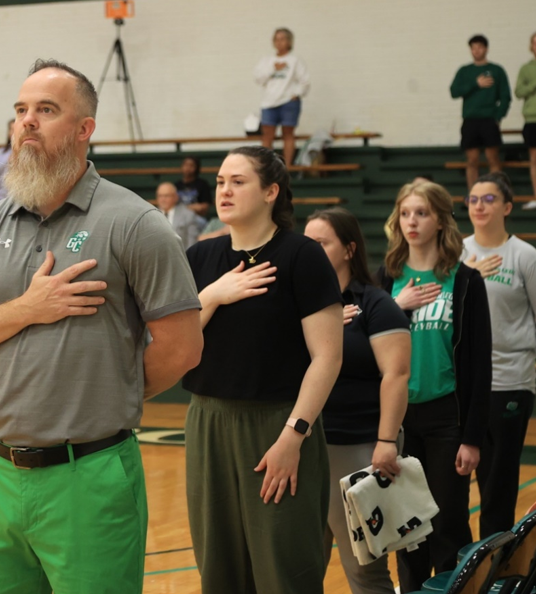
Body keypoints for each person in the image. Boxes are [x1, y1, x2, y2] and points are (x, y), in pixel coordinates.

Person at [0, 58, 203, 594]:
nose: (27, 121)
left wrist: (104, 393)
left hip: (89, 475)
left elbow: (182, 348)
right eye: (20, 110)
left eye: (46, 110)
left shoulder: (137, 224)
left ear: (83, 129)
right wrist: (28, 308)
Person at [183, 146, 343, 594]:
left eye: (238, 181)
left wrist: (294, 435)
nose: (225, 190)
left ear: (271, 191)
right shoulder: (201, 258)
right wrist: (214, 295)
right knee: (218, 567)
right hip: (207, 422)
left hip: (278, 422)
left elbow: (328, 357)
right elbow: (173, 344)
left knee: (284, 568)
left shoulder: (301, 255)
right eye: (219, 182)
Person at [378, 181, 491, 593]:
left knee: (448, 523)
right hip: (400, 419)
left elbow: (480, 364)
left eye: (422, 213)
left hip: (447, 417)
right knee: (408, 529)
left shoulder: (464, 281)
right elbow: (362, 347)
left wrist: (472, 437)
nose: (412, 221)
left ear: (441, 220)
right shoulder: (385, 278)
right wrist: (396, 307)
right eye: (406, 213)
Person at [304, 207, 411, 594]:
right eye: (307, 243)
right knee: (299, 565)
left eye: (321, 243)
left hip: (356, 446)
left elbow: (396, 375)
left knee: (363, 567)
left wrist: (385, 442)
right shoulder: (298, 304)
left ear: (349, 249)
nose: (311, 250)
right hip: (301, 445)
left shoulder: (376, 304)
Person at [461, 172, 536, 538]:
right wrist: (467, 275)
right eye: (474, 199)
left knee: (497, 484)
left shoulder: (525, 256)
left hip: (510, 381)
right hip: (461, 383)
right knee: (459, 481)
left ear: (507, 207)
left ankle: (498, 569)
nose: (479, 206)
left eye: (488, 199)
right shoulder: (457, 253)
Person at [450, 34, 511, 192]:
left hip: (489, 120)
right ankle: (474, 195)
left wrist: (498, 116)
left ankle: (497, 194)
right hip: (470, 120)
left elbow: (505, 97)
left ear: (486, 49)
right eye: (473, 48)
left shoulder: (496, 70)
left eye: (480, 47)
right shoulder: (465, 71)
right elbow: (454, 91)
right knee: (472, 161)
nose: (476, 51)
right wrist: (475, 84)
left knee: (493, 159)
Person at [253, 28, 311, 167]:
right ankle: (267, 167)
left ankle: (288, 167)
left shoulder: (295, 60)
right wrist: (274, 69)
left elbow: (305, 81)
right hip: (269, 102)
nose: (279, 42)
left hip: (288, 102)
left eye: (283, 39)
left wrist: (296, 94)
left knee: (288, 135)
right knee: (267, 136)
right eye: (276, 39)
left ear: (289, 41)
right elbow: (258, 79)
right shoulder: (267, 60)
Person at [516, 32, 536, 203]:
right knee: (534, 159)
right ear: (531, 47)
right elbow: (519, 92)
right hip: (532, 119)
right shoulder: (526, 68)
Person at [156, 182, 200, 249]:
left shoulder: (188, 215)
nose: (163, 199)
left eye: (166, 196)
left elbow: (192, 244)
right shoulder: (152, 215)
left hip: (180, 257)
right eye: (160, 196)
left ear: (175, 197)